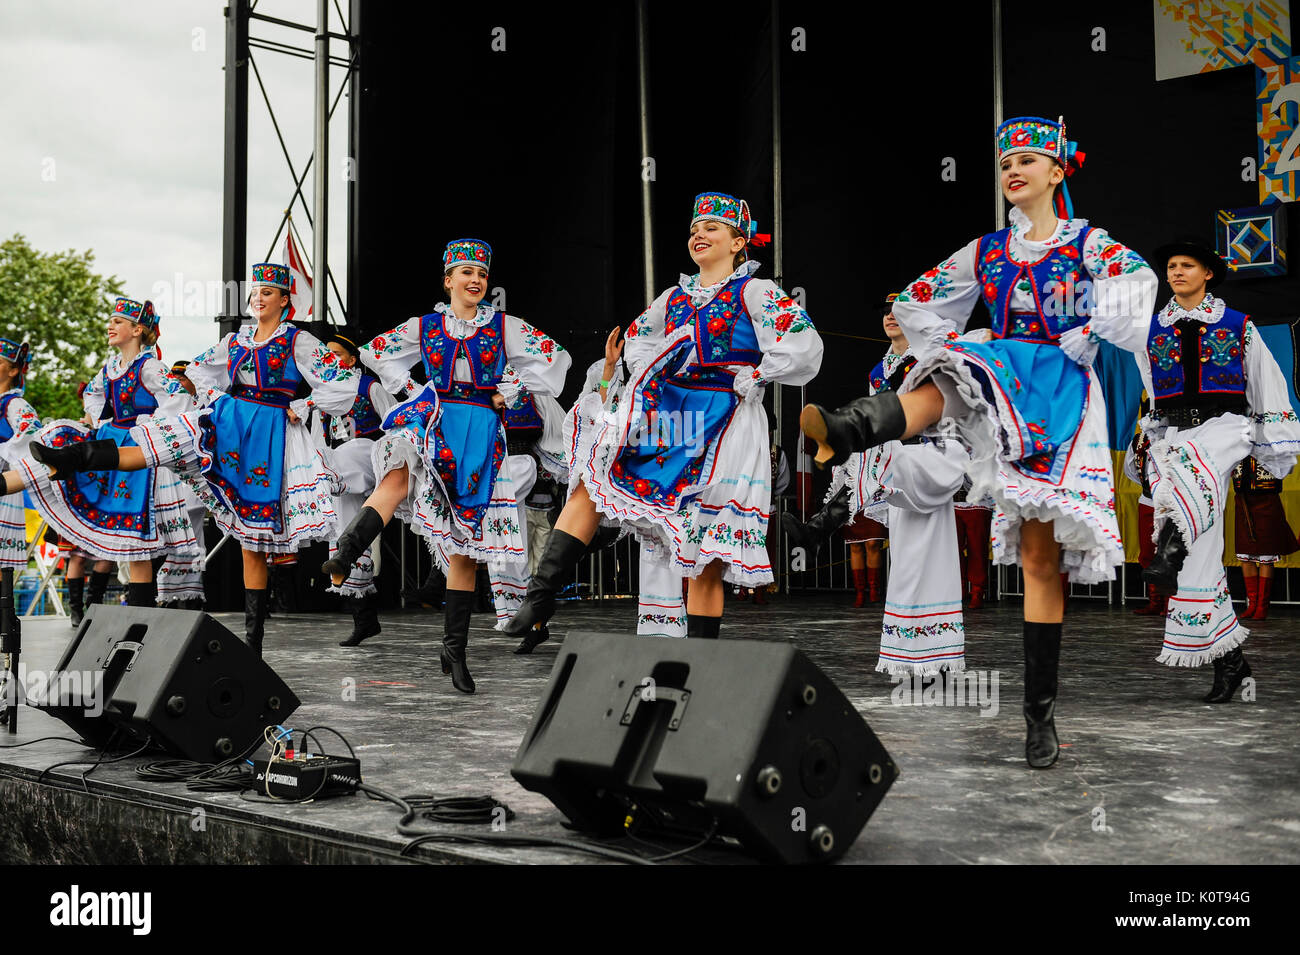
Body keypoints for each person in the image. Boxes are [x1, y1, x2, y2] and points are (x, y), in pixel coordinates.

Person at [801, 117, 1157, 768]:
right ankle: (852, 427)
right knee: (959, 365)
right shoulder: (990, 251)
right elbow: (923, 299)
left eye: (1028, 159)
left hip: (1061, 395)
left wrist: (1093, 327)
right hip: (1006, 377)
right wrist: (956, 336)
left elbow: (1137, 290)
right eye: (1005, 163)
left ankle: (1038, 714)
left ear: (1057, 171)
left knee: (1039, 558)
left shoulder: (1088, 244)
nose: (1013, 170)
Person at [502, 192, 823, 642]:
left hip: (723, 418)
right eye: (695, 228)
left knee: (704, 549)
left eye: (712, 227)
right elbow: (639, 341)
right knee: (594, 480)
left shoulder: (755, 290)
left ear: (738, 242)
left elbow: (802, 343)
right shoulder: (673, 297)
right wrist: (652, 373)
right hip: (668, 412)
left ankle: (700, 655)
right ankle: (540, 595)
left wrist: (758, 372)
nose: (699, 234)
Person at [26, 267, 360, 654]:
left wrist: (304, 403)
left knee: (253, 541)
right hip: (231, 421)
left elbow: (342, 382)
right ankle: (74, 458)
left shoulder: (299, 341)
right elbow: (197, 370)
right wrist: (212, 397)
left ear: (285, 300)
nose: (259, 298)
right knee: (165, 443)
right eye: (256, 291)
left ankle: (253, 643)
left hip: (270, 433)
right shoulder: (235, 341)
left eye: (268, 292)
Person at [324, 239, 570, 692]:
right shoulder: (427, 325)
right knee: (397, 469)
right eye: (466, 272)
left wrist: (510, 386)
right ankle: (347, 548)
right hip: (432, 415)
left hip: (476, 428)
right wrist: (411, 387)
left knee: (464, 545)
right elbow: (376, 351)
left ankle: (454, 649)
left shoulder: (505, 326)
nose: (475, 279)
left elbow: (556, 359)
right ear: (448, 280)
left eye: (481, 273)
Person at [1096, 238, 1300, 701]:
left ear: (1208, 273)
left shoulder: (1237, 325)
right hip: (1177, 432)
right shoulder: (1152, 330)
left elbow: (1265, 379)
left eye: (1186, 265)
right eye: (1170, 266)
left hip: (1226, 428)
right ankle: (1231, 662)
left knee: (1195, 467)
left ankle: (1166, 553)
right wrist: (1150, 434)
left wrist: (1273, 441)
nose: (1176, 272)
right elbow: (1151, 385)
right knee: (1202, 554)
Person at [16, 299, 198, 608]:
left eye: (117, 322)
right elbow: (94, 392)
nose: (110, 326)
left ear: (137, 330)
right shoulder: (110, 368)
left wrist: (154, 426)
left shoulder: (150, 366)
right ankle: (132, 611)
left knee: (138, 539)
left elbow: (179, 396)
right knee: (128, 539)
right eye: (110, 321)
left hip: (140, 451)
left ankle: (142, 612)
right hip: (112, 441)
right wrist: (95, 418)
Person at [318, 334, 399, 647]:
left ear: (352, 359)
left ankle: (333, 477)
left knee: (350, 451)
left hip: (370, 456)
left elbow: (396, 421)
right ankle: (364, 619)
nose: (330, 360)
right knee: (345, 533)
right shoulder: (323, 396)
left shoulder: (370, 387)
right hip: (341, 462)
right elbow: (318, 438)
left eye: (336, 354)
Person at [154, 359, 208, 610]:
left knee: (191, 542)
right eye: (175, 379)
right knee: (174, 541)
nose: (178, 383)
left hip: (189, 484)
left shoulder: (199, 403)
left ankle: (187, 597)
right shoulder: (171, 402)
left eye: (183, 378)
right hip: (170, 482)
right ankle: (170, 596)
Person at [0, 339, 42, 601]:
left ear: (13, 370)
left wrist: (4, 454)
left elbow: (32, 431)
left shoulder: (13, 404)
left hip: (4, 486)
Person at [1233, 455, 1296, 620]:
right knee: (1245, 555)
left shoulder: (1272, 438)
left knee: (1266, 556)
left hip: (1266, 497)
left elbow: (1288, 465)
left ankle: (1262, 606)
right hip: (1243, 499)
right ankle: (1252, 604)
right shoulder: (1236, 436)